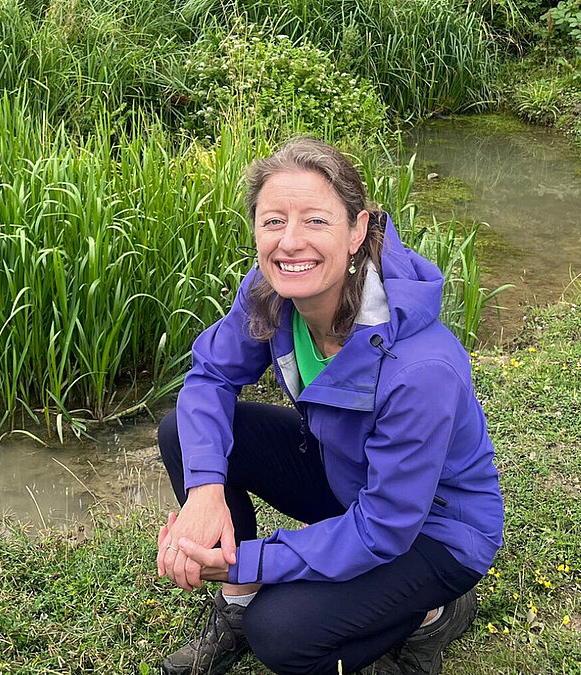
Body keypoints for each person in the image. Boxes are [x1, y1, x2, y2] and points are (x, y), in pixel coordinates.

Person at [156, 137, 504, 675]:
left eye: (316, 221)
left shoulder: (421, 367)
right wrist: (205, 491)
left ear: (358, 230)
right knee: (182, 430)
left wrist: (243, 561)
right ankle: (238, 603)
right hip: (346, 476)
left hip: (430, 528)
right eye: (273, 221)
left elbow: (384, 527)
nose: (290, 242)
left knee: (282, 635)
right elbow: (210, 375)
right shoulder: (272, 292)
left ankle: (435, 613)